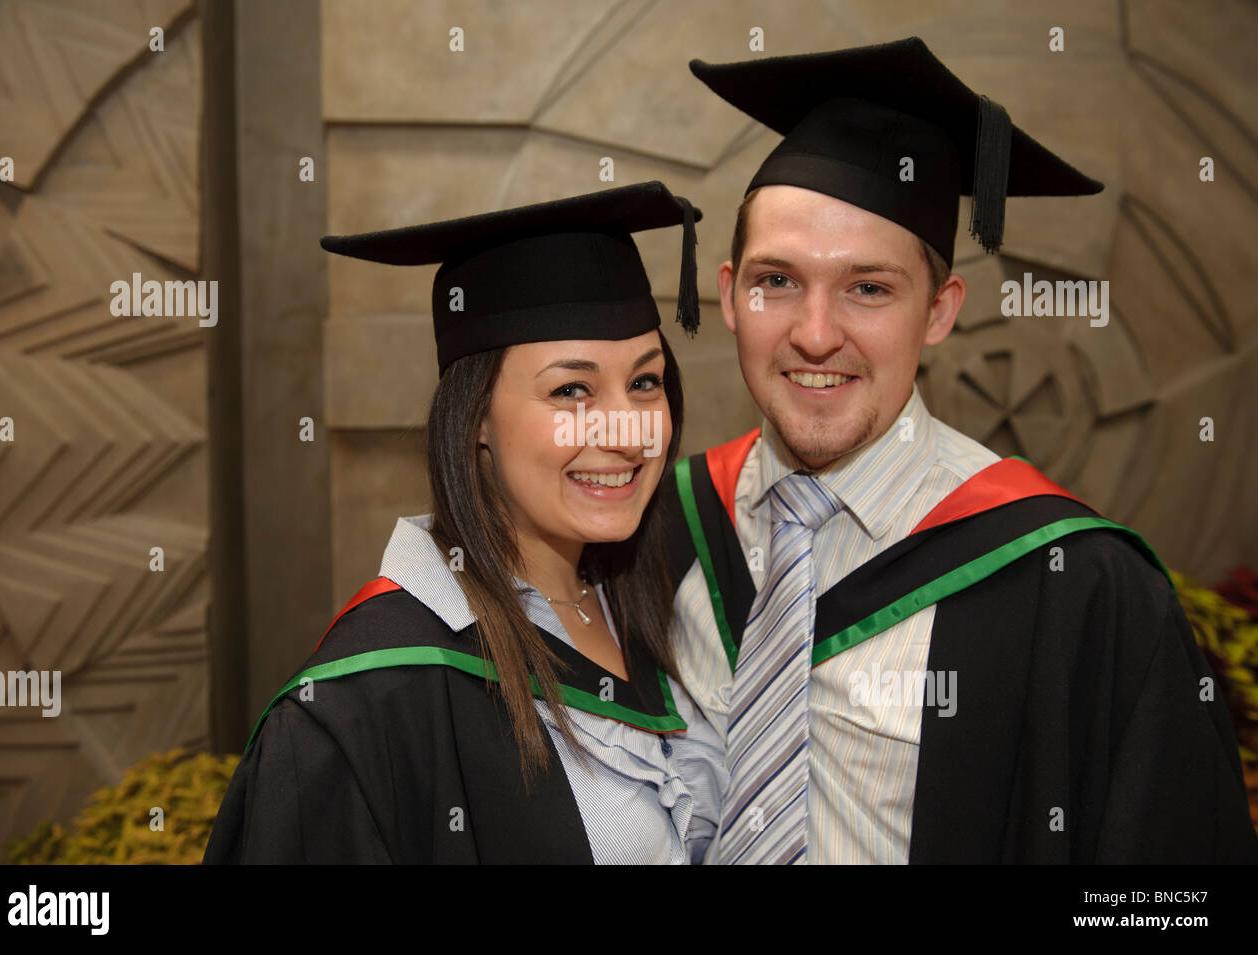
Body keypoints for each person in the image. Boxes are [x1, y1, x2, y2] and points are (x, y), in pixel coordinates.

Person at [663, 37, 1258, 864]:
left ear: (940, 312)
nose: (815, 333)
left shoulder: (1078, 587)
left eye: (869, 288)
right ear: (729, 295)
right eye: (778, 281)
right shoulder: (663, 530)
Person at [204, 181, 726, 864]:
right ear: (477, 416)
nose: (625, 430)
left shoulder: (665, 604)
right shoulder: (360, 705)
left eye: (645, 382)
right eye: (571, 389)